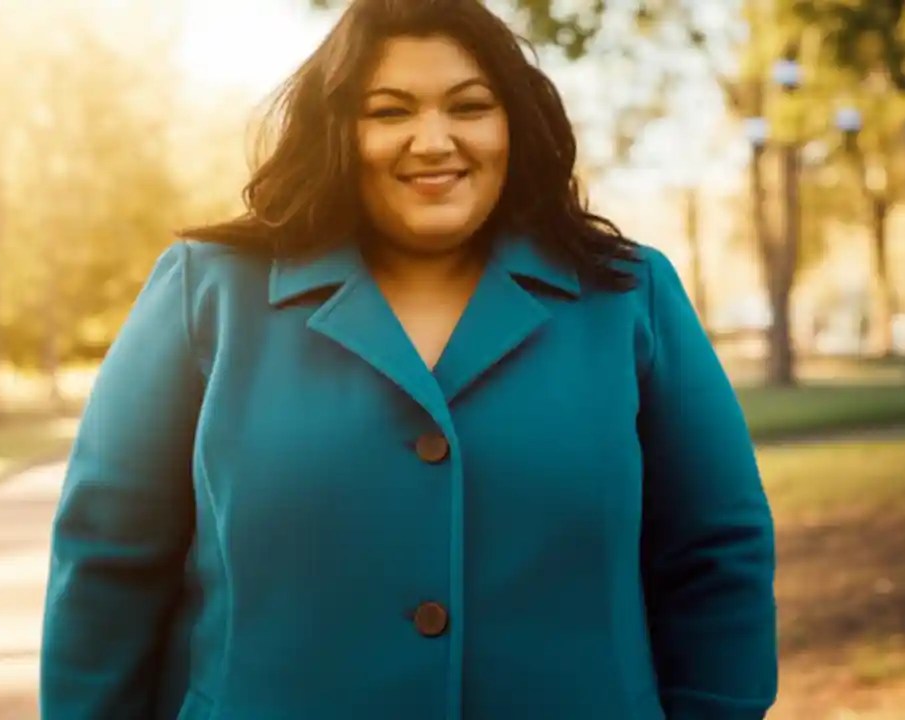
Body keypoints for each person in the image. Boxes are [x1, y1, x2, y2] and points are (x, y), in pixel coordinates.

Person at [39, 0, 778, 717]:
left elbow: (717, 549)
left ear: (513, 125)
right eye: (390, 111)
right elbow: (108, 555)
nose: (433, 141)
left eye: (469, 107)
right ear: (337, 131)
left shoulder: (626, 296)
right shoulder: (209, 290)